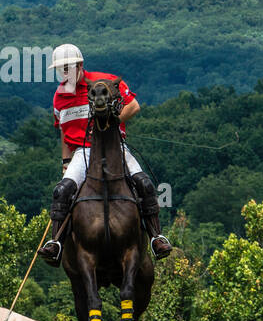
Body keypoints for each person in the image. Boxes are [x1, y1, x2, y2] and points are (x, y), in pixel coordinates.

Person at [37, 43, 172, 266]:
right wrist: (65, 162)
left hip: (113, 146)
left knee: (145, 185)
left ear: (80, 65)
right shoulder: (59, 97)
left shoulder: (103, 81)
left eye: (67, 68)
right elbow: (64, 131)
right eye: (60, 69)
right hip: (81, 152)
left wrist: (114, 122)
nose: (64, 73)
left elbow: (134, 106)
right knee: (61, 191)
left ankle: (156, 238)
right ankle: (56, 243)